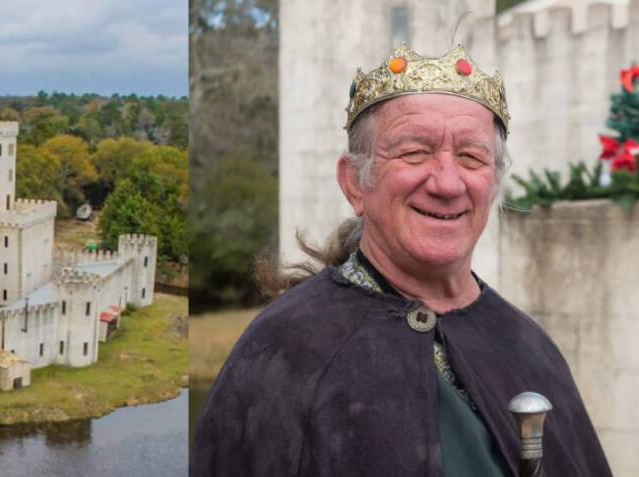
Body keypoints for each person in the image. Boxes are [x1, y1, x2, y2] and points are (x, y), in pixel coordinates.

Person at [190, 44, 611, 476]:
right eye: (414, 153)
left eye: (471, 157)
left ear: (494, 183)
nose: (447, 183)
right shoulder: (282, 352)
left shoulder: (528, 345)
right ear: (355, 181)